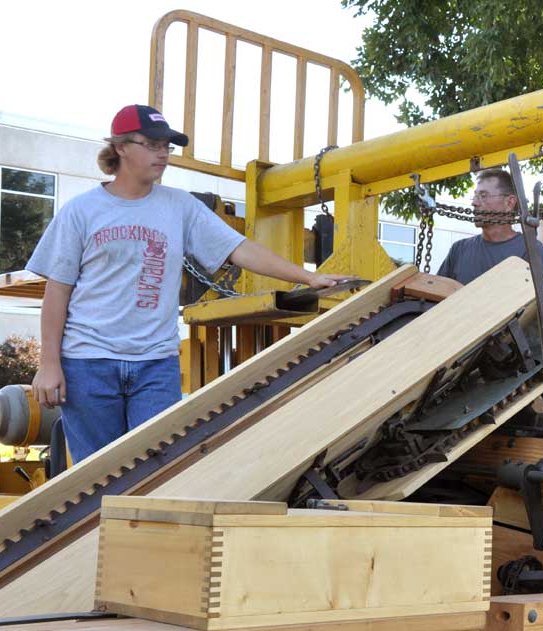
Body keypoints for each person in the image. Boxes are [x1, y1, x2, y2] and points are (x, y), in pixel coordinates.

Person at [27, 104, 353, 464]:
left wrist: (308, 276)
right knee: (94, 477)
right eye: (152, 144)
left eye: (167, 146)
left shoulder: (179, 207)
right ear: (120, 147)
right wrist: (49, 363)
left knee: (157, 470)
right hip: (88, 363)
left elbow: (239, 249)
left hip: (155, 364)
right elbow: (57, 292)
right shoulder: (81, 211)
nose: (163, 154)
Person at [437, 168, 543, 284]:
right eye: (475, 196)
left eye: (483, 196)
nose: (474, 203)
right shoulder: (459, 250)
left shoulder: (530, 249)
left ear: (509, 202)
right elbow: (436, 295)